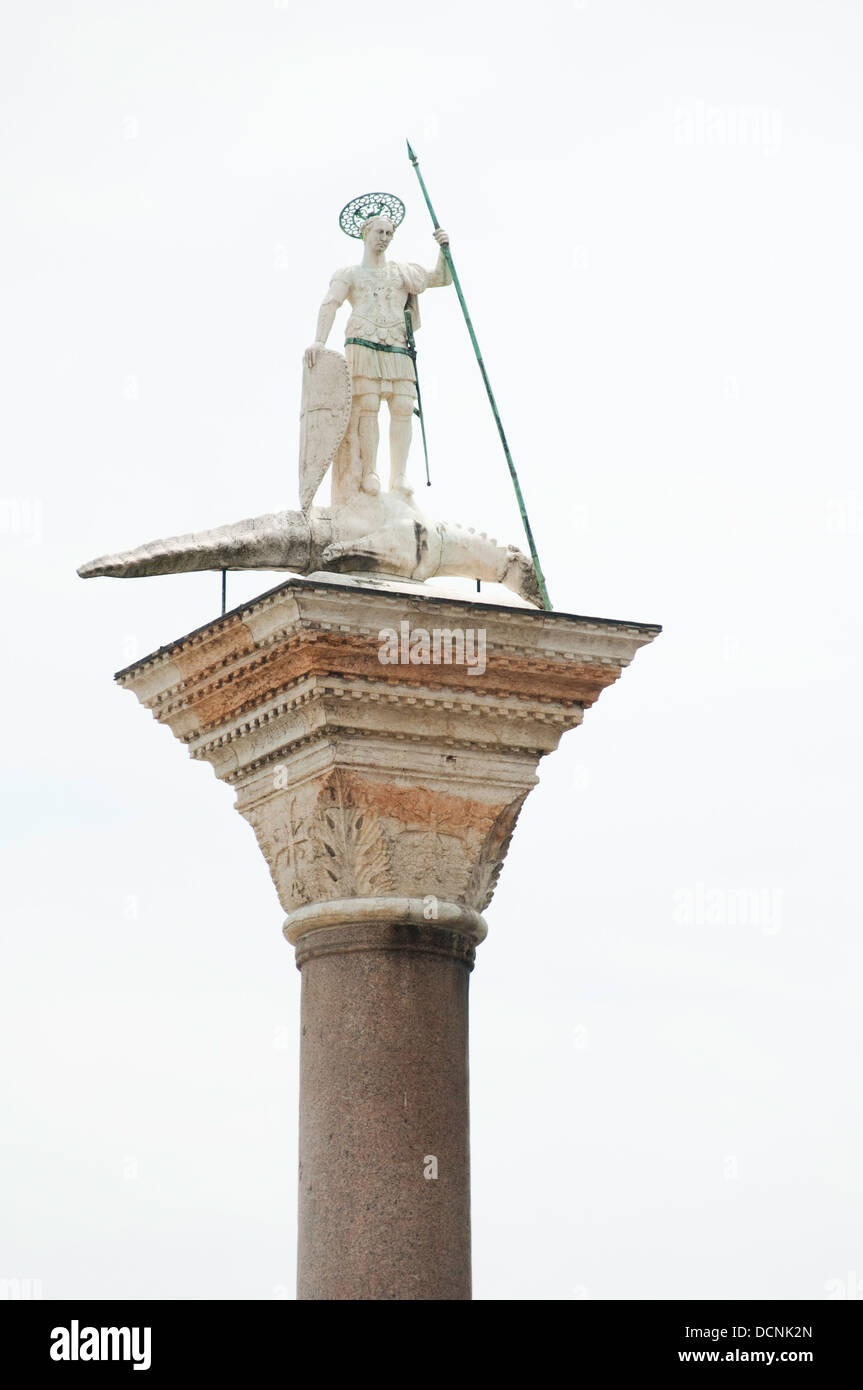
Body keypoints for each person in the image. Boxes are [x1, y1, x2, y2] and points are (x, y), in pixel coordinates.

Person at [305, 216, 451, 498]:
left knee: (403, 406)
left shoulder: (402, 272)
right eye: (379, 231)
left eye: (389, 233)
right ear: (365, 233)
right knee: (368, 405)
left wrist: (444, 250)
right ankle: (370, 470)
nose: (384, 237)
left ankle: (399, 476)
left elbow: (442, 278)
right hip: (362, 341)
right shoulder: (349, 273)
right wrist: (319, 341)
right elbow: (330, 303)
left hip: (397, 341)